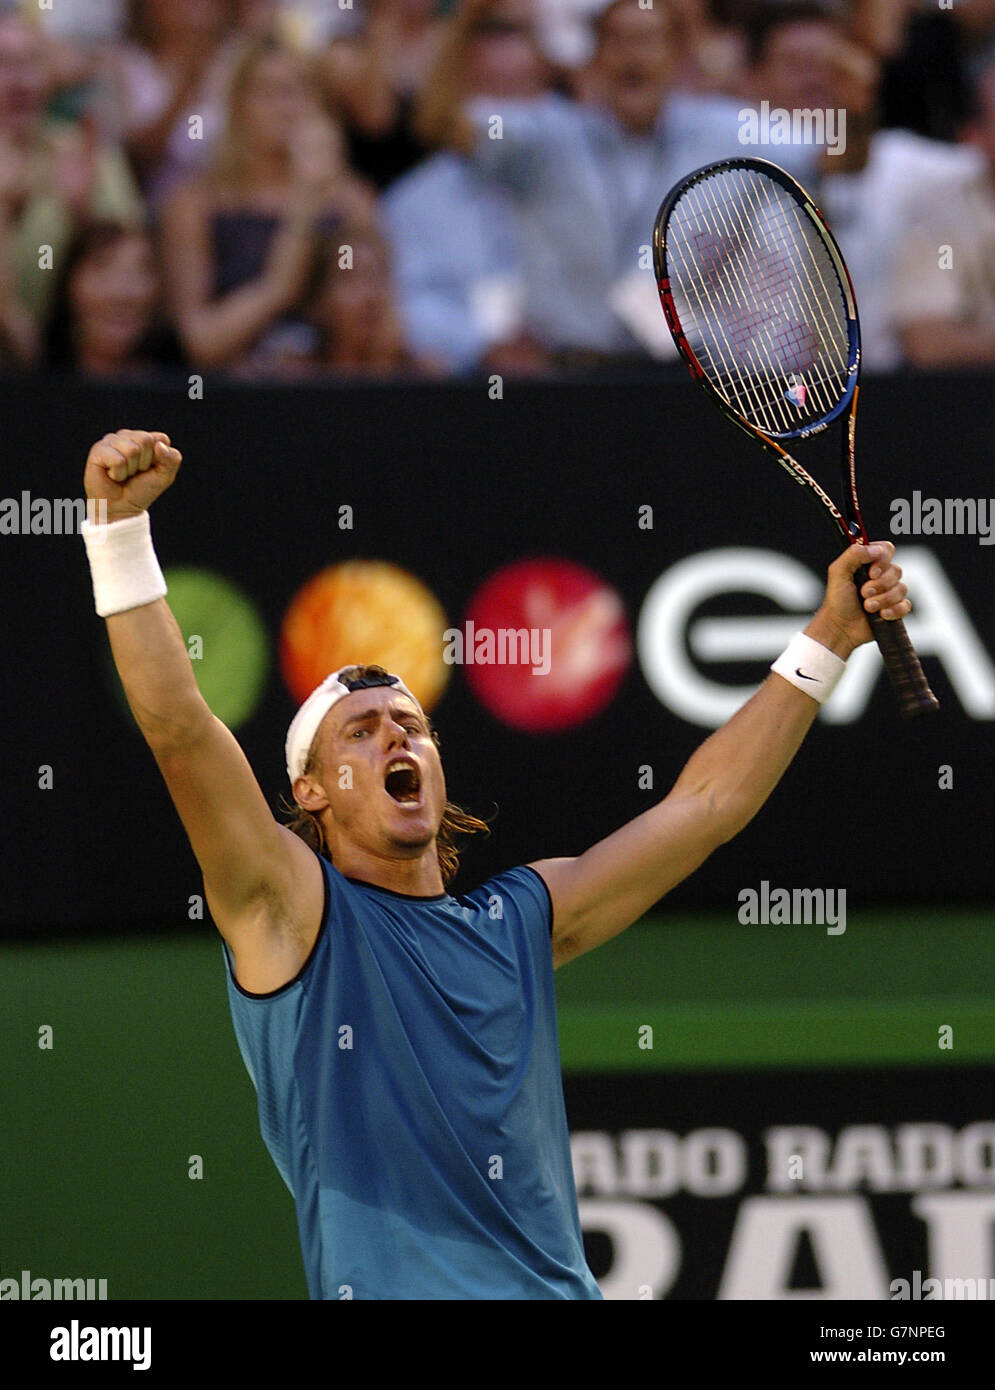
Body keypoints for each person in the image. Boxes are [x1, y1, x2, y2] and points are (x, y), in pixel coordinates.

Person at [80, 427, 913, 1300]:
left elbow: (706, 808)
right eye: (358, 733)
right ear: (313, 792)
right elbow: (178, 728)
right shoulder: (287, 914)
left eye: (409, 725)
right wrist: (118, 532)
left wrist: (830, 632)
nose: (395, 735)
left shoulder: (520, 917)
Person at [159, 33, 377, 373]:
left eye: (301, 91)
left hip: (331, 388)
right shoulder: (195, 204)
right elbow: (200, 341)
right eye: (271, 92)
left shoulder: (352, 202)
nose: (288, 107)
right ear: (238, 103)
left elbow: (379, 328)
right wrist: (304, 210)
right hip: (232, 394)